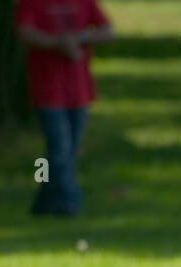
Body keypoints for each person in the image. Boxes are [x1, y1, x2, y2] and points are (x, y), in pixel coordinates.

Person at [15, 0, 113, 216]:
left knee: (68, 151)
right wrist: (57, 43)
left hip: (79, 90)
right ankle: (70, 203)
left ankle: (43, 203)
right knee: (60, 149)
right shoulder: (32, 3)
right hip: (47, 90)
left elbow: (107, 31)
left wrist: (80, 38)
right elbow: (25, 32)